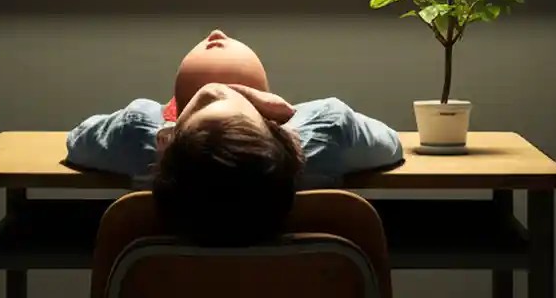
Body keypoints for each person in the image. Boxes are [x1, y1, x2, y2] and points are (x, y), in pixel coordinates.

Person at [65, 29, 404, 246]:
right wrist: (293, 116)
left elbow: (77, 141)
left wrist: (161, 120)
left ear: (168, 141)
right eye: (234, 102)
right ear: (280, 133)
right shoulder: (327, 133)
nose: (214, 89)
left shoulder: (136, 136)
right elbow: (391, 145)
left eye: (204, 104)